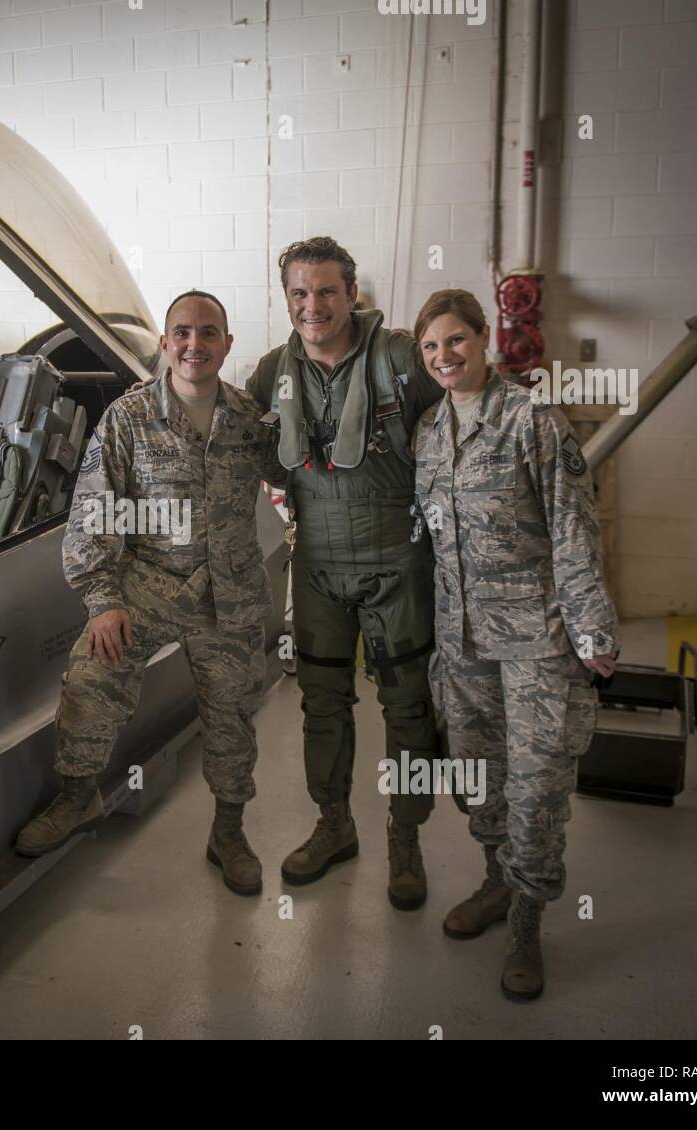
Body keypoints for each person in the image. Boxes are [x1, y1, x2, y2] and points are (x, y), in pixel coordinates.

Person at [15, 290, 285, 896]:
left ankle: (229, 832)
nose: (196, 345)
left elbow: (294, 473)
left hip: (230, 592)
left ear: (226, 344)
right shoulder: (129, 418)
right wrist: (103, 600)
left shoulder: (249, 420)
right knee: (93, 671)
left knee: (233, 716)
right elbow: (92, 512)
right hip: (151, 582)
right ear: (166, 345)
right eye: (183, 334)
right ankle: (79, 796)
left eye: (209, 333)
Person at [412, 287, 617, 1000]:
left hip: (534, 639)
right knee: (480, 776)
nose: (445, 355)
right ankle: (496, 882)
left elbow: (572, 527)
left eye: (456, 340)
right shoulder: (429, 433)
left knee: (536, 787)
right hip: (462, 640)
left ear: (483, 340)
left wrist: (590, 625)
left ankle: (528, 918)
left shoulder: (532, 420)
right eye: (432, 346)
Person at [245, 237, 444, 909]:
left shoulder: (401, 361)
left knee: (407, 706)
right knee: (322, 704)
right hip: (319, 564)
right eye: (299, 293)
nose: (312, 306)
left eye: (326, 291)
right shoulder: (271, 371)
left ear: (351, 293)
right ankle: (334, 825)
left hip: (397, 560)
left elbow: (456, 434)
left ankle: (406, 837)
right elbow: (264, 459)